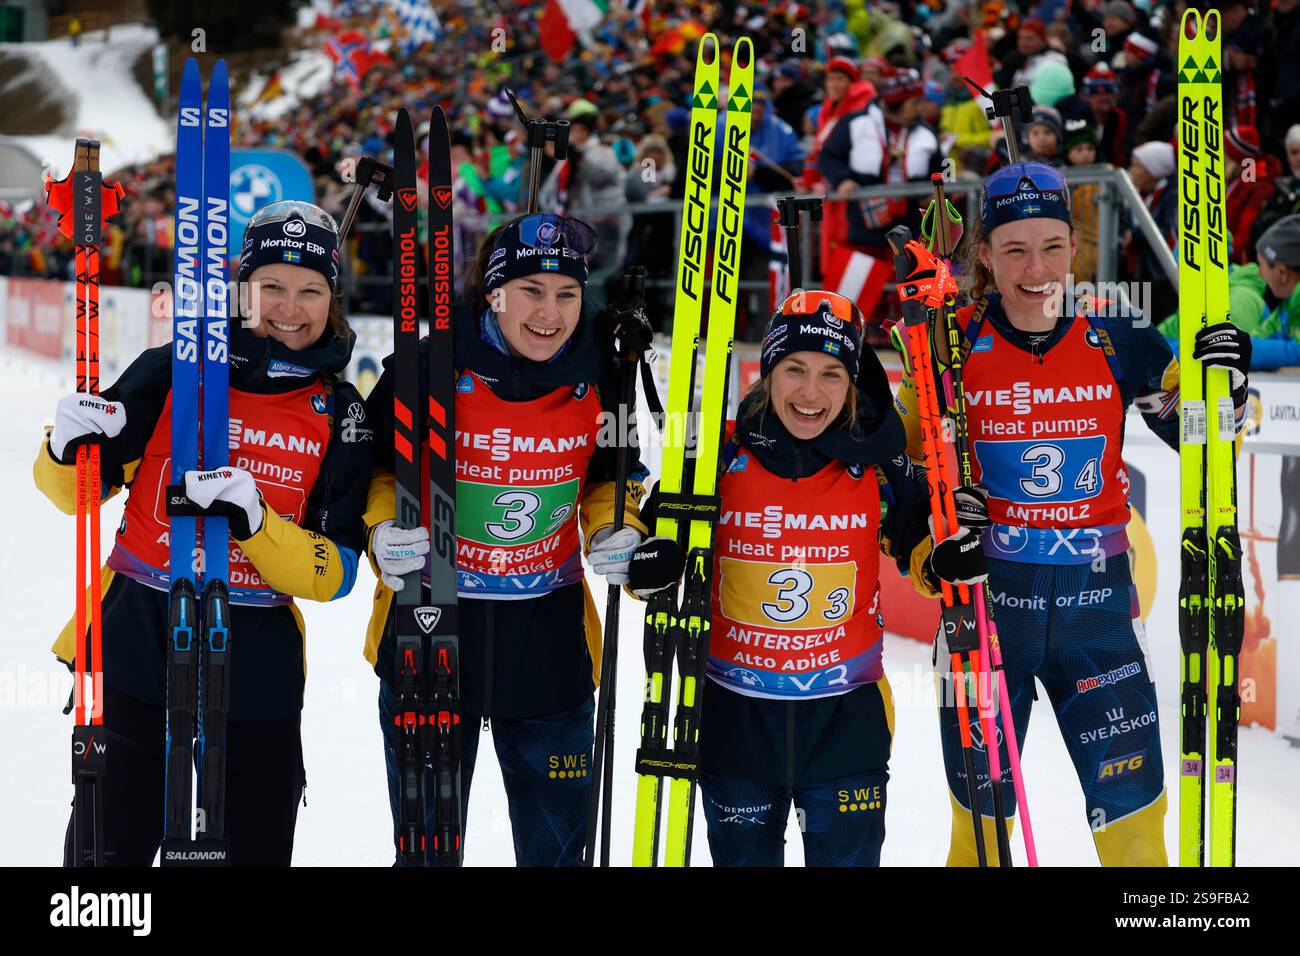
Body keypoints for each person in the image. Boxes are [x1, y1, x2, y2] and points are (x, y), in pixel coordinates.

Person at [896, 162, 1254, 866]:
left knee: (1135, 835)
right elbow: (910, 481)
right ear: (985, 255)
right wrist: (930, 561)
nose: (1037, 268)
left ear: (1075, 248)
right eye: (1016, 250)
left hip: (1101, 617)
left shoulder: (1117, 335)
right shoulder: (947, 347)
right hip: (984, 617)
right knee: (981, 841)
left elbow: (1197, 432)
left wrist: (1229, 388)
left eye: (1053, 247)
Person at [35, 200, 372, 866]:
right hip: (136, 633)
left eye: (311, 290)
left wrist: (255, 525)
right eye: (272, 285)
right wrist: (65, 448)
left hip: (256, 653)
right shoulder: (172, 370)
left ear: (332, 299)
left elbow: (335, 572)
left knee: (251, 842)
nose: (290, 307)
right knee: (108, 849)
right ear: (243, 288)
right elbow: (76, 495)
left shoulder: (342, 411)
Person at [627, 291, 982, 867]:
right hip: (733, 716)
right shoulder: (720, 452)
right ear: (767, 372)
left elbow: (922, 550)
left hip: (846, 718)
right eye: (794, 369)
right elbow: (652, 548)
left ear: (851, 381)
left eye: (830, 374)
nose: (811, 393)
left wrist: (947, 563)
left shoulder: (878, 461)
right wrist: (645, 564)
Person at [361, 213, 650, 866]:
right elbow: (375, 467)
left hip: (551, 648)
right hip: (429, 641)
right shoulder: (427, 366)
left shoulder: (602, 373)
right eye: (531, 290)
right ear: (493, 292)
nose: (550, 313)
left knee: (556, 859)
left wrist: (616, 526)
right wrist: (381, 528)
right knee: (426, 855)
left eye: (567, 294)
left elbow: (613, 474)